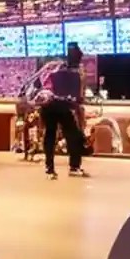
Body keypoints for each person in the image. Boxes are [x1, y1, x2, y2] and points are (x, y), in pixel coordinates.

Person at [39, 44, 89, 180]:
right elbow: (74, 96)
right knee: (67, 135)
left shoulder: (60, 68)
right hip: (54, 106)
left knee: (57, 135)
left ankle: (55, 168)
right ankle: (67, 167)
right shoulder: (64, 69)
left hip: (55, 106)